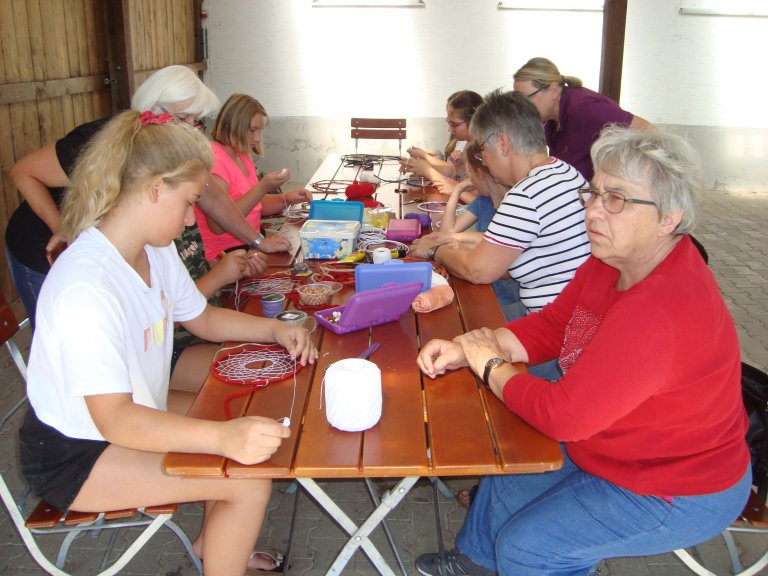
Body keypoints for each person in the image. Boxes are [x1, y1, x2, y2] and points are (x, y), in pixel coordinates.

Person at [415, 126, 751, 576]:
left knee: (529, 548)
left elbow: (563, 417)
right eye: (593, 193)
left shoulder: (661, 310)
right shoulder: (611, 260)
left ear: (669, 217)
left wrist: (490, 364)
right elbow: (555, 325)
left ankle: (514, 560)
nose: (592, 210)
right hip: (611, 440)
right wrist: (467, 349)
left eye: (616, 199)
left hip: (672, 485)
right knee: (511, 456)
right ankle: (477, 561)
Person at [19, 110, 318, 576]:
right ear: (155, 188)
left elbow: (201, 317)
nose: (190, 218)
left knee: (236, 415)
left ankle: (217, 545)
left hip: (131, 416)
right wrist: (222, 438)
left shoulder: (153, 250)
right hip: (78, 451)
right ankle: (225, 554)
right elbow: (115, 419)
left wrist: (275, 330)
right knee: (244, 478)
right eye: (189, 202)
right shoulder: (87, 285)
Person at [5, 65, 267, 329]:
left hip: (97, 245)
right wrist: (61, 228)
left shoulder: (170, 149)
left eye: (195, 121)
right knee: (65, 327)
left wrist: (258, 241)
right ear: (153, 107)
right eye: (182, 118)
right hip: (41, 242)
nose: (190, 129)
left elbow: (213, 198)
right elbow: (24, 173)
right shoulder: (102, 140)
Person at [410, 89, 590, 380]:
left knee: (455, 343)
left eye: (483, 150)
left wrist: (433, 251)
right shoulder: (568, 174)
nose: (484, 160)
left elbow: (479, 270)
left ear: (503, 144)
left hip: (555, 343)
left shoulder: (526, 193)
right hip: (575, 328)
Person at [198, 93, 313, 261]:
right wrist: (262, 187)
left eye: (260, 131)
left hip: (250, 241)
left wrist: (287, 199)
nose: (258, 138)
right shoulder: (215, 161)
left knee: (297, 244)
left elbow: (254, 204)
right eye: (252, 130)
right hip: (227, 253)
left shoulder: (241, 155)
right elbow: (218, 224)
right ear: (233, 125)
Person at [417, 141, 522, 322]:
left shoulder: (512, 207)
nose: (467, 179)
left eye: (469, 174)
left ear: (480, 173)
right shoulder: (484, 202)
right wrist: (457, 190)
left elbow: (494, 245)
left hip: (505, 301)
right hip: (482, 288)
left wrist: (457, 239)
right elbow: (447, 231)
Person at [513, 57, 651, 182]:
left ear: (553, 90)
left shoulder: (585, 108)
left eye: (526, 98)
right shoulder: (548, 120)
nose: (522, 106)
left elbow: (648, 130)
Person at [401, 90, 483, 196]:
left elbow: (473, 196)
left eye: (453, 124)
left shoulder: (481, 150)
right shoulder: (469, 144)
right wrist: (420, 165)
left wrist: (428, 170)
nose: (449, 129)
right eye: (448, 122)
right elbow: (454, 173)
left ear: (472, 121)